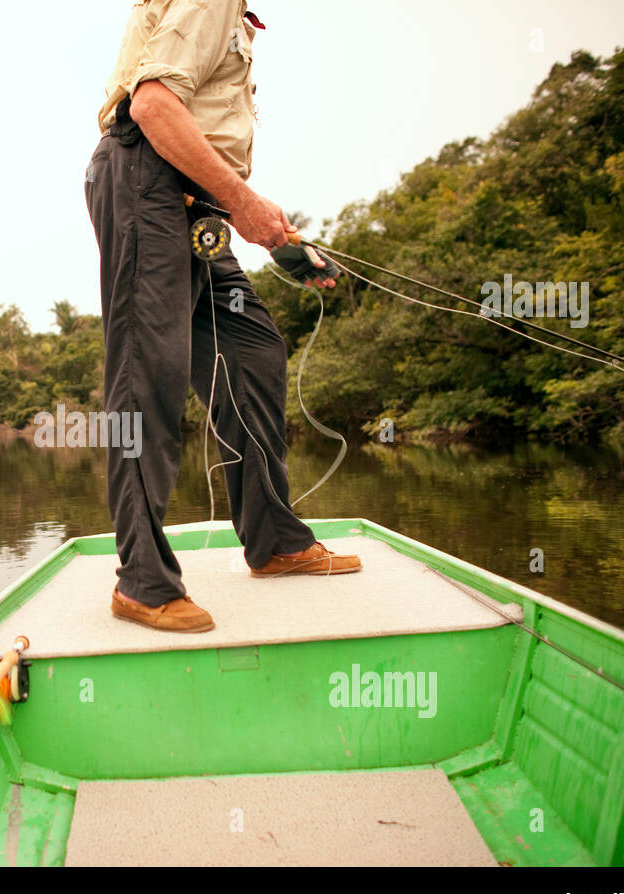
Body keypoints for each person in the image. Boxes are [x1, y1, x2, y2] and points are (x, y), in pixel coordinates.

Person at [84, 1, 362, 634]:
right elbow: (153, 107)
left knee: (252, 347)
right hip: (145, 183)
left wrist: (277, 239)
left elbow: (199, 131)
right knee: (147, 372)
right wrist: (244, 205)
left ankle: (275, 542)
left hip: (192, 205)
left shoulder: (236, 17)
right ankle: (142, 580)